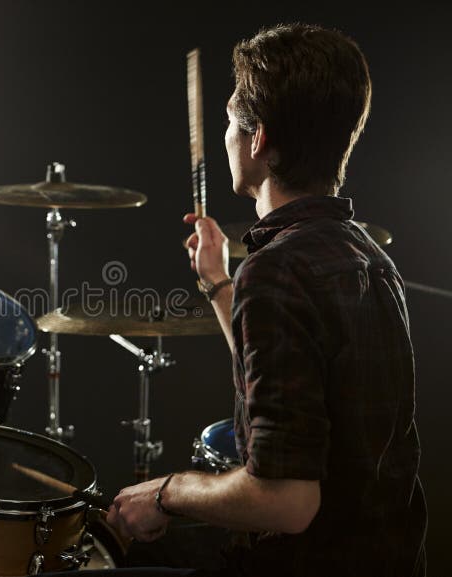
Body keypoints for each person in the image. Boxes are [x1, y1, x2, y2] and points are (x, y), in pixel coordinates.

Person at [105, 23, 427, 577]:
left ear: (259, 140)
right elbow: (283, 367)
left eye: (231, 121)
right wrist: (217, 282)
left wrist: (165, 491)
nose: (227, 135)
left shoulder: (277, 271)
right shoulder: (368, 256)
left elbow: (287, 503)